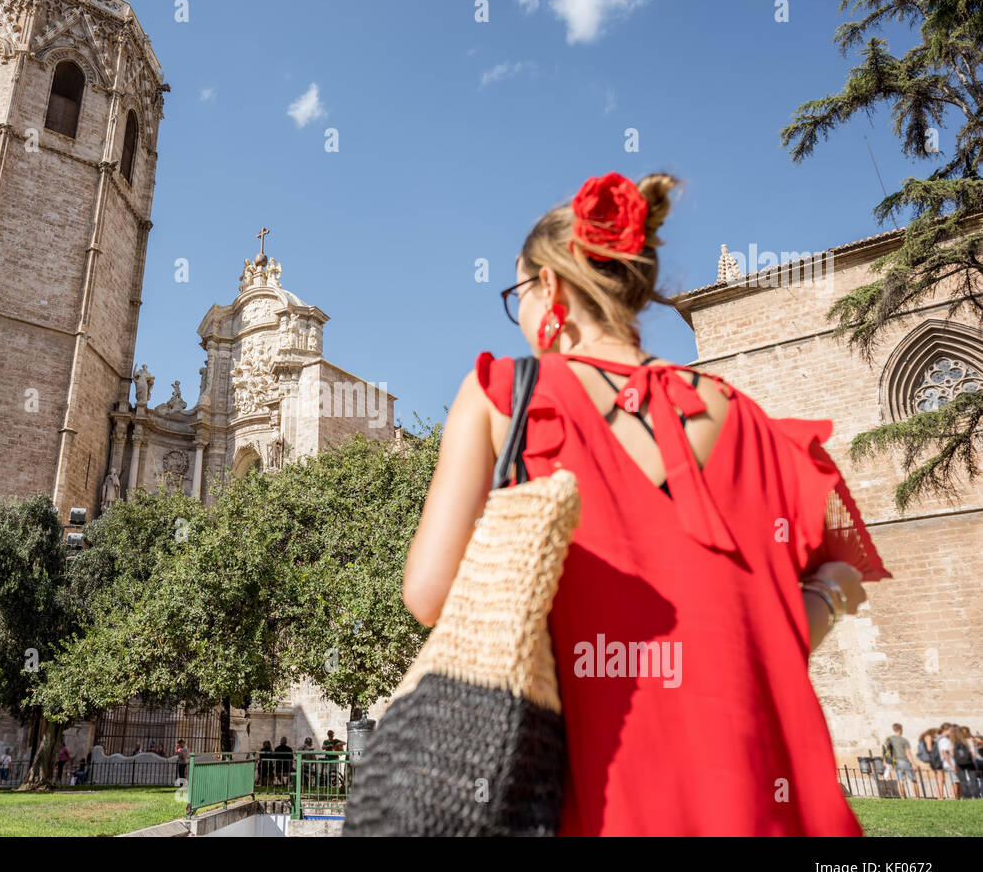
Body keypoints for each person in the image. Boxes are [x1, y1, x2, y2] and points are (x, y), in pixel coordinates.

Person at [402, 171, 889, 836]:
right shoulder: (752, 422)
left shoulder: (501, 395)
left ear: (550, 289)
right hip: (756, 800)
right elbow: (768, 636)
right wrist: (831, 591)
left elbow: (429, 595)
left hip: (591, 800)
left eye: (516, 292)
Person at [883, 724, 916, 798]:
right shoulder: (903, 740)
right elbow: (908, 753)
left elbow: (886, 751)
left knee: (900, 780)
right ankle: (917, 797)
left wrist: (885, 761)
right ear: (900, 730)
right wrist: (913, 763)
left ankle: (902, 797)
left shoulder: (889, 740)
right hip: (904, 761)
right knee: (913, 780)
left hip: (895, 762)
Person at [938, 724, 960, 799]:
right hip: (949, 764)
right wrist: (952, 765)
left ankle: (955, 797)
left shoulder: (943, 739)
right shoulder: (944, 740)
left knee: (955, 781)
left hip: (948, 763)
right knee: (955, 781)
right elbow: (945, 753)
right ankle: (954, 798)